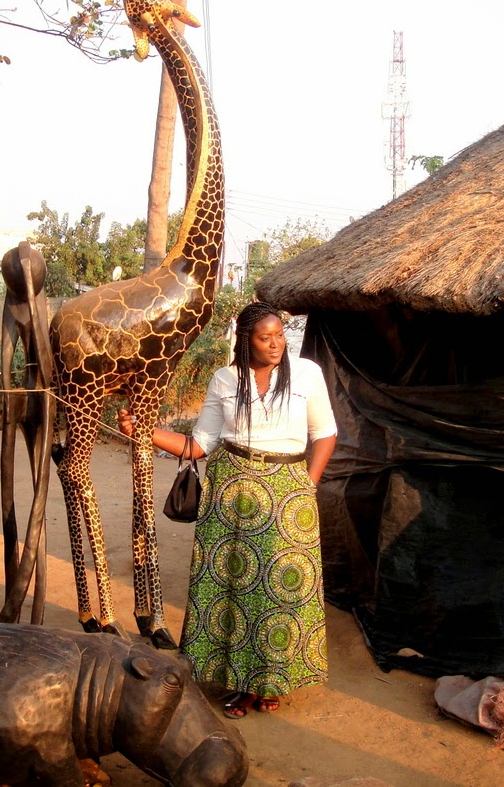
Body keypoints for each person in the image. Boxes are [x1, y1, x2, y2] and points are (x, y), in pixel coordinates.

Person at [117, 301, 337, 718]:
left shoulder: (308, 374)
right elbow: (198, 444)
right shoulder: (225, 379)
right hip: (231, 493)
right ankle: (241, 682)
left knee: (282, 588)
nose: (276, 345)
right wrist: (143, 432)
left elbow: (325, 435)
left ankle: (269, 679)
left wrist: (307, 485)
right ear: (246, 340)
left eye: (280, 336)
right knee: (233, 588)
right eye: (265, 337)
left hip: (287, 492)